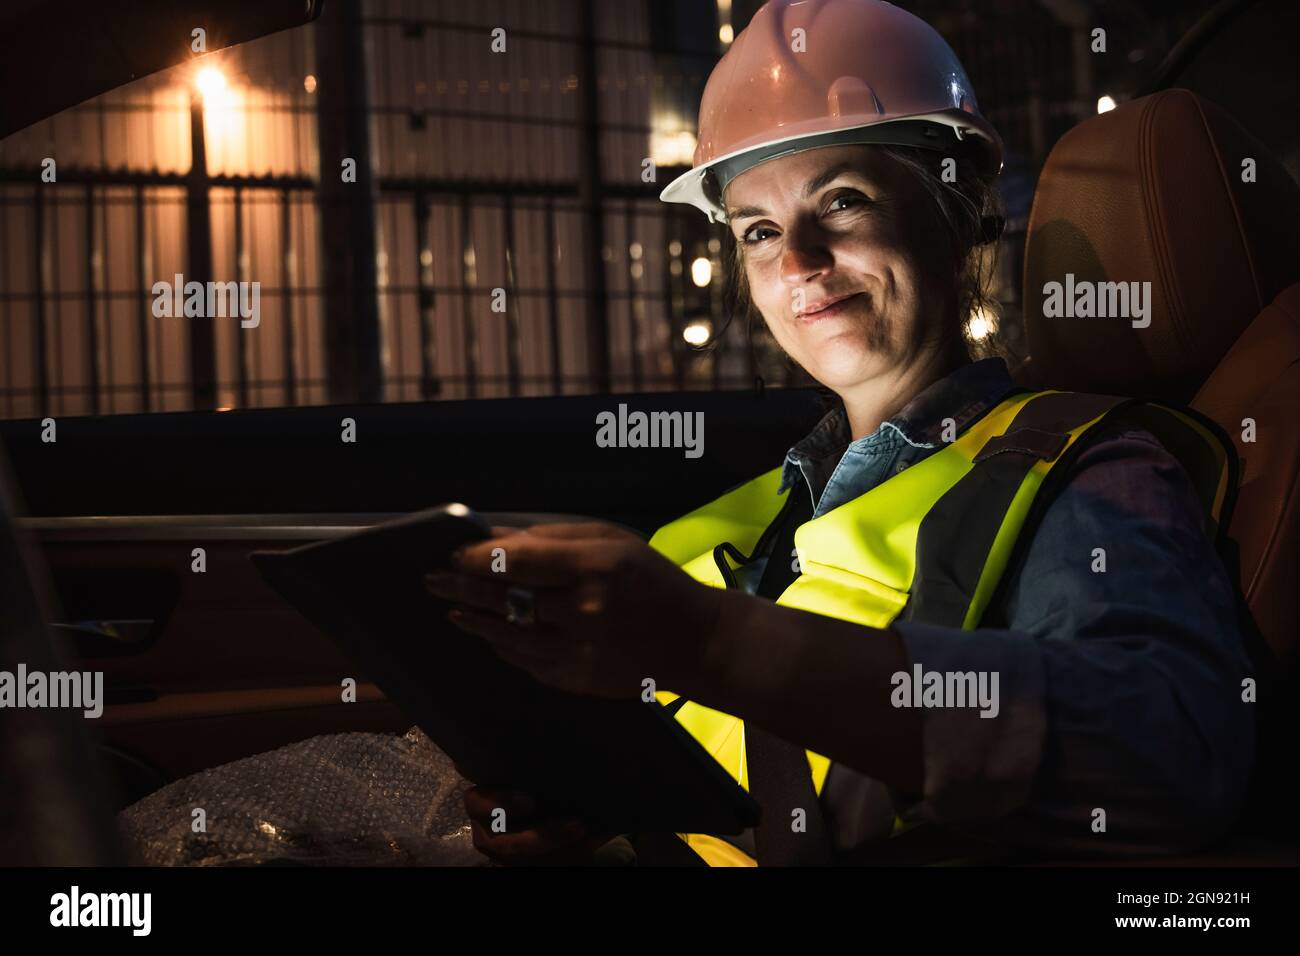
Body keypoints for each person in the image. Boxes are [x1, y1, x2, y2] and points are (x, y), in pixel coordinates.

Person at [427, 0, 1254, 866]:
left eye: (844, 200)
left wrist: (711, 644)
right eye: (759, 231)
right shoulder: (744, 519)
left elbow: (1169, 756)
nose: (798, 262)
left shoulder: (1082, 470)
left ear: (964, 206)